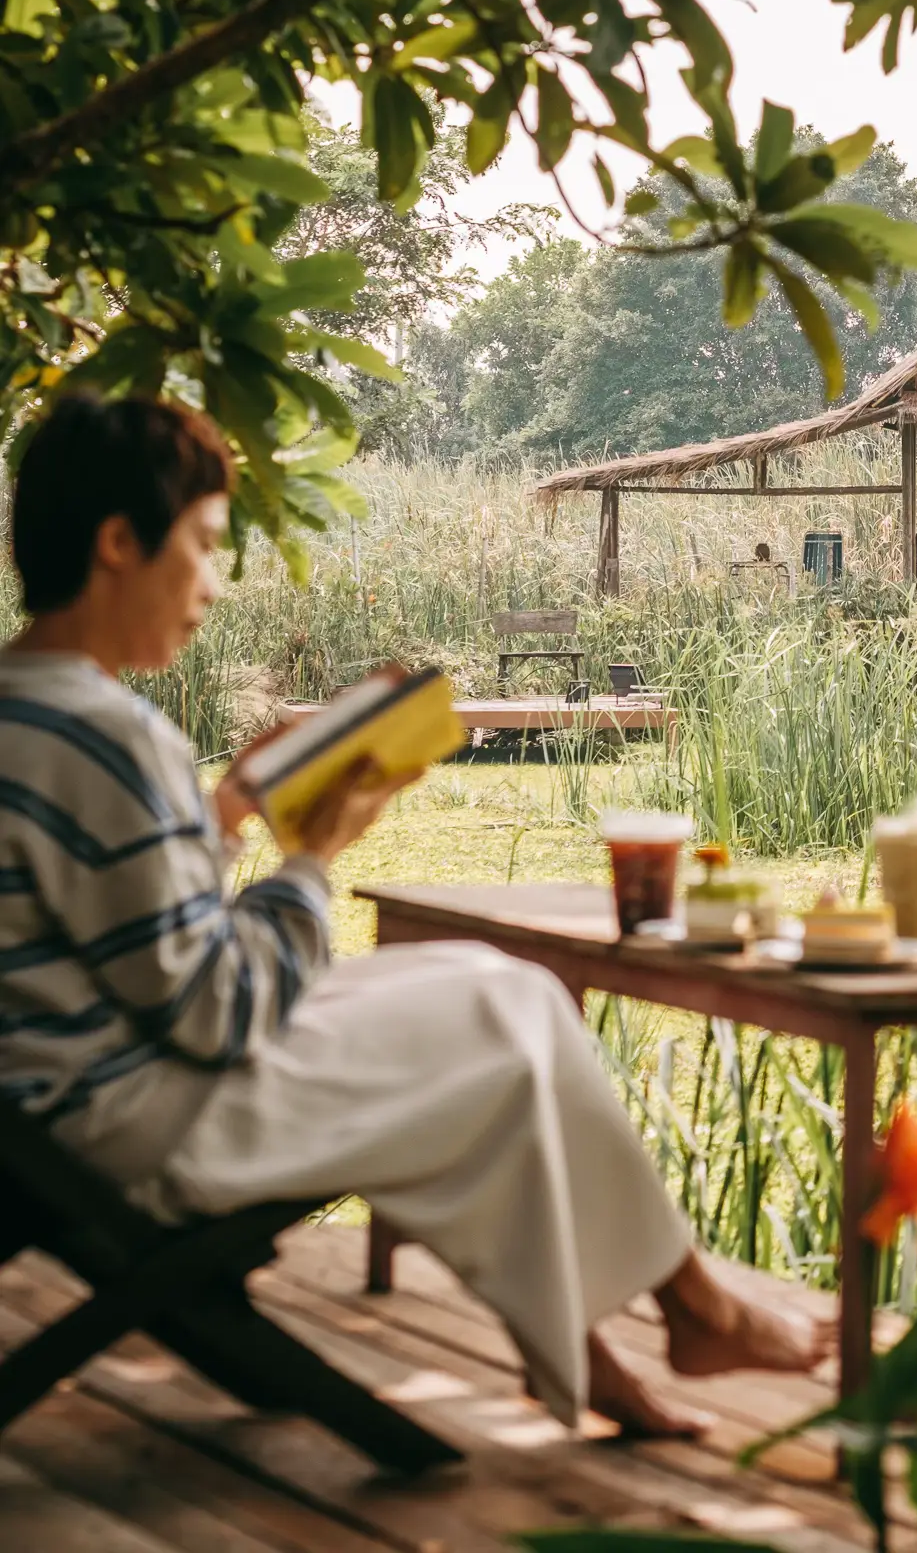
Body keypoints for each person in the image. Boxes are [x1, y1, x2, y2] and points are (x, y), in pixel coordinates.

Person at [0, 393, 827, 1437]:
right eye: (205, 548)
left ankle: (616, 1335)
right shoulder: (106, 737)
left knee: (510, 989)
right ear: (119, 544)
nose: (214, 586)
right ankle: (678, 1314)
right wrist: (309, 860)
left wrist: (225, 814)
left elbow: (105, 932)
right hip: (134, 1123)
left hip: (52, 1104)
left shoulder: (24, 709)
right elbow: (212, 1009)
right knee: (501, 1017)